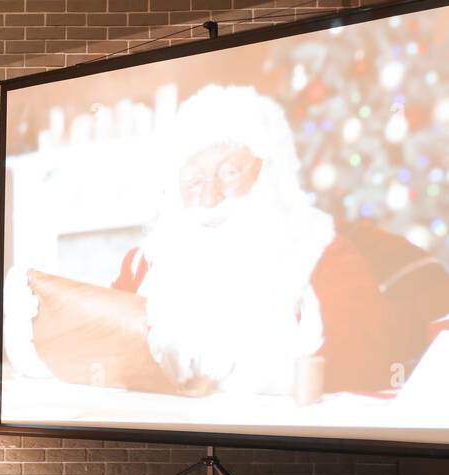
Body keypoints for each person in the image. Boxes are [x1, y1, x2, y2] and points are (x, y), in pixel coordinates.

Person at [113, 84, 399, 395]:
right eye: (194, 180)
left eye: (229, 173)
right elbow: (99, 344)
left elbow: (363, 364)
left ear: (269, 173)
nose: (210, 197)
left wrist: (246, 378)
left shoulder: (320, 250)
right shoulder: (145, 262)